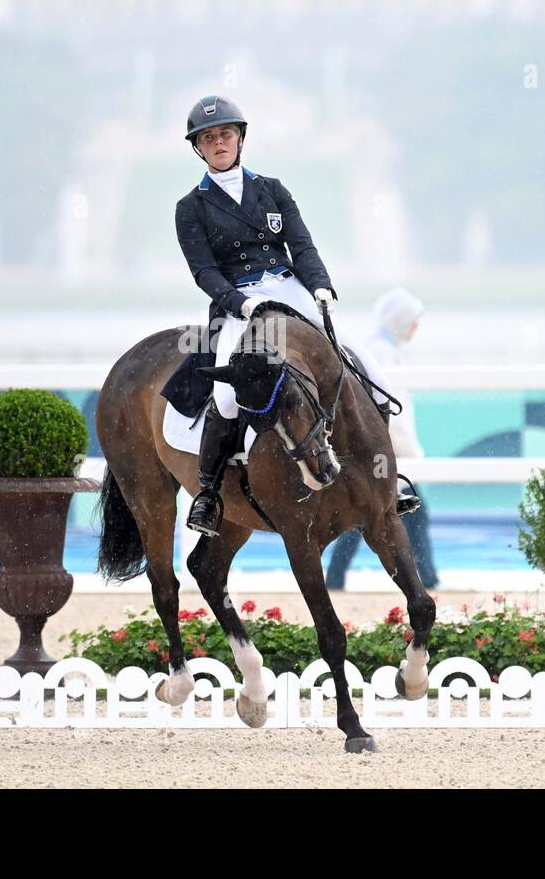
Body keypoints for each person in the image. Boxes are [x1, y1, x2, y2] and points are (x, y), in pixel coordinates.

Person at [174, 95, 411, 535]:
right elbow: (203, 269)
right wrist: (239, 304)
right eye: (209, 138)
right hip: (238, 303)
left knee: (372, 373)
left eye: (225, 134)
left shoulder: (273, 189)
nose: (219, 142)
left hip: (291, 290)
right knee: (226, 396)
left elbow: (301, 245)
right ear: (199, 148)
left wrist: (320, 284)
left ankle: (386, 477)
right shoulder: (191, 207)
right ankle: (208, 493)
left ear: (240, 138)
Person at [325, 288, 438, 590]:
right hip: (386, 449)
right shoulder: (383, 352)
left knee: (368, 514)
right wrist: (410, 450)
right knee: (406, 514)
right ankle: (427, 578)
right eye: (413, 320)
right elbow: (391, 409)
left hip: (381, 448)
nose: (417, 327)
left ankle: (335, 577)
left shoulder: (381, 347)